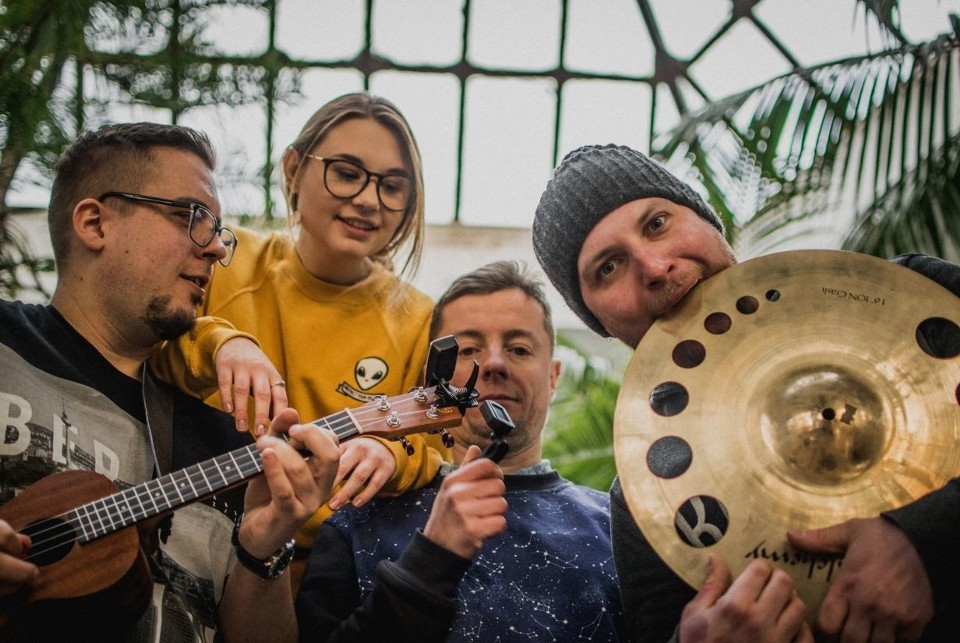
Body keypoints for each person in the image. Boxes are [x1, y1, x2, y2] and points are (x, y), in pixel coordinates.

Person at [532, 143, 960, 642]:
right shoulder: (647, 492)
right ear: (597, 321)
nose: (653, 267)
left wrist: (929, 540)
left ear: (709, 222)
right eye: (608, 267)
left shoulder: (917, 297)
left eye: (657, 224)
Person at [0, 122, 341, 642]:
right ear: (94, 223)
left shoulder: (230, 446)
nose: (214, 251)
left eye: (218, 231)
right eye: (190, 217)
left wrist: (263, 548)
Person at [151, 93, 449, 587]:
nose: (369, 200)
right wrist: (221, 342)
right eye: (347, 173)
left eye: (393, 186)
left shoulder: (419, 317)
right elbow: (150, 349)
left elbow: (440, 447)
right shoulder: (229, 259)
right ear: (293, 169)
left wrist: (393, 457)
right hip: (186, 548)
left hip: (331, 579)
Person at [291, 260, 626, 642]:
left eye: (519, 348)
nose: (495, 363)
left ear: (552, 378)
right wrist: (432, 557)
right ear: (429, 381)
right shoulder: (355, 520)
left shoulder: (618, 528)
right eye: (467, 349)